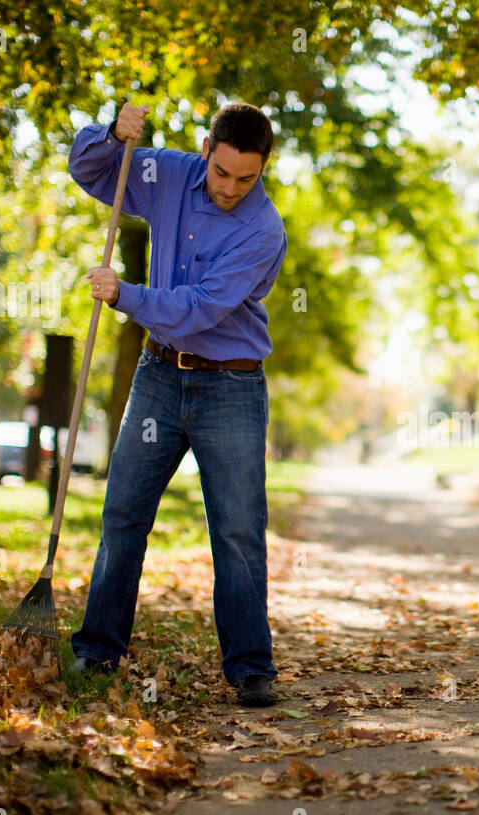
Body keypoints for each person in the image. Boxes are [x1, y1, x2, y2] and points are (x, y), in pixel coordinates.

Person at [66, 100, 287, 707]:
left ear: (263, 169)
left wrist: (125, 295)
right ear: (206, 150)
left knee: (237, 532)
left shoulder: (263, 230)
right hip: (158, 376)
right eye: (222, 172)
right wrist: (112, 135)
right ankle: (97, 651)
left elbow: (199, 309)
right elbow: (89, 172)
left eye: (247, 178)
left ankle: (250, 667)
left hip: (231, 388)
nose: (231, 188)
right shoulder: (163, 173)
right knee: (123, 513)